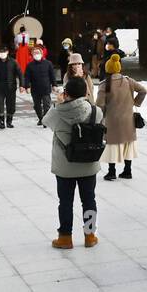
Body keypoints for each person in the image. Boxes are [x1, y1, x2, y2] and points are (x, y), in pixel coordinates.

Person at [43, 77, 104, 249]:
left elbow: (46, 121)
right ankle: (90, 235)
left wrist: (58, 103)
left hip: (65, 167)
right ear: (85, 93)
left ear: (66, 93)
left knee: (65, 202)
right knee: (89, 200)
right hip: (88, 164)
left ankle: (65, 237)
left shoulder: (57, 113)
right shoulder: (95, 111)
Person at [95, 53, 147, 180]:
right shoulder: (128, 81)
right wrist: (135, 102)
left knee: (112, 145)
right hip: (128, 119)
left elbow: (100, 105)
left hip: (112, 120)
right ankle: (127, 170)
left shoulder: (104, 84)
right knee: (128, 145)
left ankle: (111, 171)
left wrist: (98, 118)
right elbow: (143, 91)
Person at [23, 43, 57, 126]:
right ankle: (41, 118)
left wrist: (54, 85)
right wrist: (27, 86)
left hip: (46, 88)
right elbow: (27, 77)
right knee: (37, 106)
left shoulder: (48, 63)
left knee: (46, 105)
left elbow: (52, 75)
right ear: (32, 54)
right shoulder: (29, 65)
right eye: (34, 53)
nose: (36, 54)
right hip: (35, 89)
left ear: (41, 54)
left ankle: (45, 120)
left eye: (38, 53)